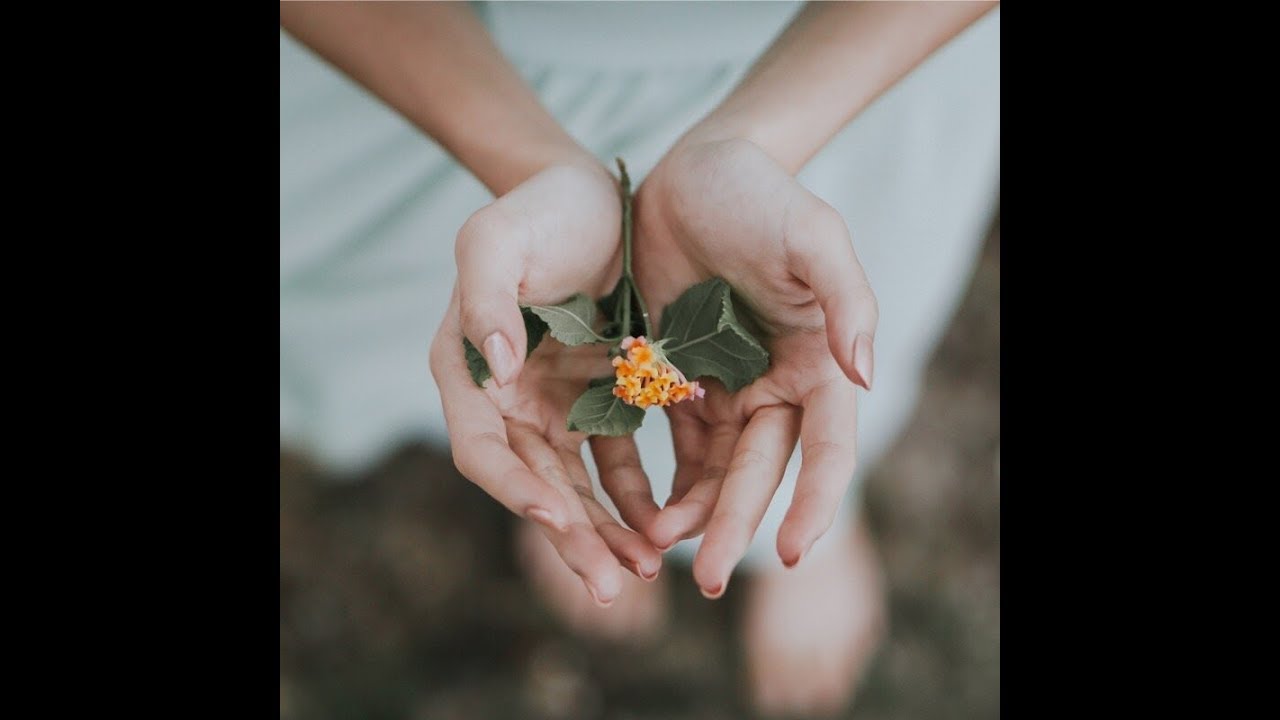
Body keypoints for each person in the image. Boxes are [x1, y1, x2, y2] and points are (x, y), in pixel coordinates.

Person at [280, 1, 999, 715]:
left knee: (802, 347)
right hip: (451, 74)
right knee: (510, 349)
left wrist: (754, 142)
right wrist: (528, 160)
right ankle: (576, 508)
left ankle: (800, 531)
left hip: (843, 71)